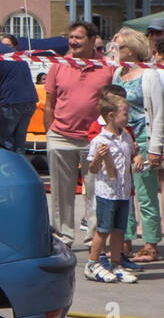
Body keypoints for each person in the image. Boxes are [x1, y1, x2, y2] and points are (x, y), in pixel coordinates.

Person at [45, 21, 114, 245]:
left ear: (93, 41)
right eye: (71, 37)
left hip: (93, 139)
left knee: (96, 189)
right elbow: (49, 103)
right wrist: (50, 134)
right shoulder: (59, 64)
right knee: (60, 192)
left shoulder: (107, 67)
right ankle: (63, 235)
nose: (73, 41)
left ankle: (95, 236)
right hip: (60, 135)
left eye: (78, 38)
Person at [112, 29, 163, 263]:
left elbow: (159, 112)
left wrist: (155, 147)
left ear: (130, 50)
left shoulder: (149, 75)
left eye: (119, 47)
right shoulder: (117, 74)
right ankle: (126, 240)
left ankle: (151, 244)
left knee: (146, 195)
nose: (115, 51)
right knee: (124, 193)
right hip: (122, 142)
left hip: (143, 141)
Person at [0, 29, 68, 152]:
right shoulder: (16, 53)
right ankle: (20, 167)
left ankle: (9, 169)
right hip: (30, 101)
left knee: (5, 143)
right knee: (20, 142)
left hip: (10, 102)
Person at [84, 93, 140, 283]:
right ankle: (92, 263)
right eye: (124, 114)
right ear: (111, 115)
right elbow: (92, 168)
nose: (127, 118)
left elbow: (133, 154)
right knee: (103, 229)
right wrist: (99, 157)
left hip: (123, 193)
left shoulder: (125, 137)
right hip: (107, 192)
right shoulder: (100, 140)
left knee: (119, 230)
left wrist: (137, 157)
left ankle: (116, 263)